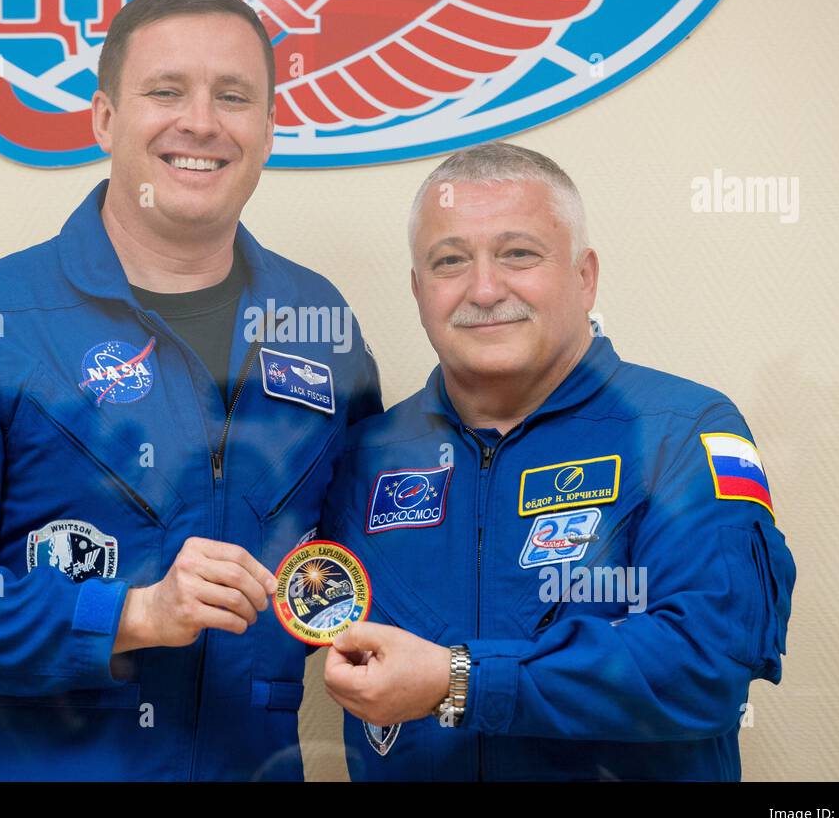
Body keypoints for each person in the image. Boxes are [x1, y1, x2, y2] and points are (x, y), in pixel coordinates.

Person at [0, 0, 382, 781]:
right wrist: (130, 614)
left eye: (233, 97)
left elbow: (372, 551)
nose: (200, 121)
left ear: (269, 131)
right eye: (166, 91)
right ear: (104, 118)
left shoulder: (318, 320)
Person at [320, 142, 795, 780]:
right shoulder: (366, 455)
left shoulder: (683, 432)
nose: (484, 289)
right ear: (417, 288)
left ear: (584, 275)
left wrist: (462, 680)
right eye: (450, 261)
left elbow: (707, 661)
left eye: (518, 253)